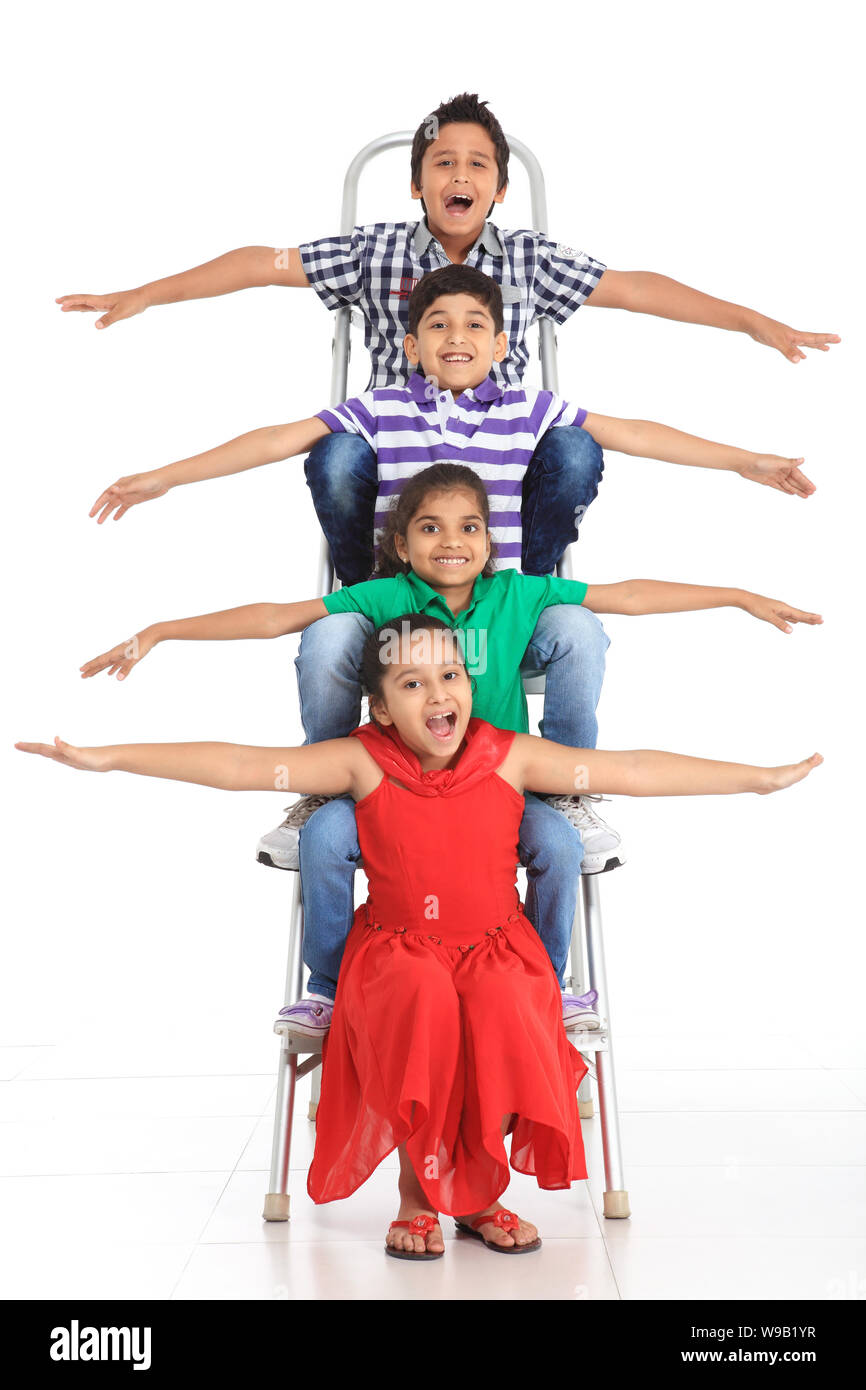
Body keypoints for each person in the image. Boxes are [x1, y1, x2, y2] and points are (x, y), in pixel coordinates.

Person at [16, 614, 822, 1258]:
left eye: (450, 674)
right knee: (425, 1001)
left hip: (496, 942)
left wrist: (754, 777)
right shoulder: (361, 763)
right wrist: (108, 759)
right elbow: (237, 763)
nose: (438, 692)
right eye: (412, 681)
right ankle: (418, 1189)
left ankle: (475, 1192)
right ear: (380, 707)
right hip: (400, 947)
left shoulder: (507, 757)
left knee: (508, 1002)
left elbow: (635, 770)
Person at [79, 464, 821, 1029]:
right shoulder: (384, 599)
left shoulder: (518, 595)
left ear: (489, 541)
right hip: (391, 782)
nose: (452, 542)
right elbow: (273, 631)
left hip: (491, 783)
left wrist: (736, 601)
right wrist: (160, 635)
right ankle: (332, 990)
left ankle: (547, 986)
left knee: (558, 846)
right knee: (325, 841)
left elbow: (627, 605)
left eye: (469, 527)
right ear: (401, 545)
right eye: (430, 528)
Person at [57, 91, 839, 583]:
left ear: (498, 187)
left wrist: (754, 323)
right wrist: (145, 295)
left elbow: (638, 290)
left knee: (578, 448)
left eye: (477, 164)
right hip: (395, 443)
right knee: (331, 455)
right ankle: (373, 598)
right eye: (442, 162)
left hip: (509, 446)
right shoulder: (376, 250)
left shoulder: (530, 258)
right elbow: (262, 264)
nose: (458, 174)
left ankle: (515, 598)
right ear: (418, 182)